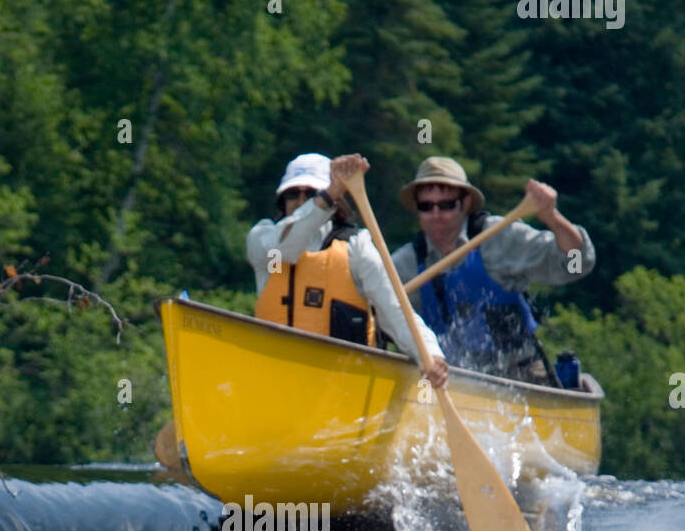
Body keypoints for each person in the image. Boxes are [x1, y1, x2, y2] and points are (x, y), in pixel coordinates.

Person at [246, 152, 448, 388]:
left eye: (311, 193)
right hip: (274, 383)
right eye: (292, 194)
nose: (301, 202)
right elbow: (286, 249)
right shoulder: (265, 243)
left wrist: (429, 352)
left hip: (341, 388)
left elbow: (395, 312)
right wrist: (327, 194)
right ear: (282, 200)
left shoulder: (358, 248)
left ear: (335, 203)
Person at [391, 157, 595, 383]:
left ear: (465, 203)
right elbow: (379, 316)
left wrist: (552, 217)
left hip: (521, 374)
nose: (436, 214)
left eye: (446, 205)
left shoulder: (500, 238)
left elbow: (576, 264)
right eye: (426, 206)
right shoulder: (405, 264)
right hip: (446, 381)